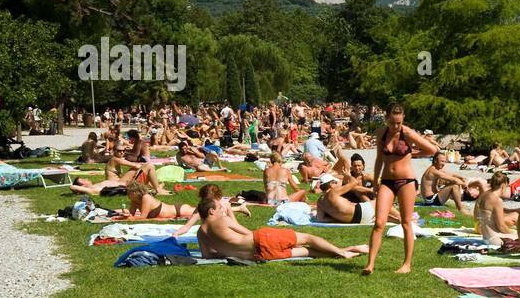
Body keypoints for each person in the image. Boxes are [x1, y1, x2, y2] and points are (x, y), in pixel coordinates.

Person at [364, 103, 438, 274]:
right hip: (387, 182)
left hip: (407, 181)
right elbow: (379, 159)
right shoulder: (382, 133)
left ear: (403, 118)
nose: (396, 126)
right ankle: (370, 263)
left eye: (398, 122)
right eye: (392, 123)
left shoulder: (408, 133)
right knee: (379, 222)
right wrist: (375, 181)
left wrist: (413, 153)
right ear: (386, 119)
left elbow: (432, 150)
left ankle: (407, 264)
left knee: (406, 223)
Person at [196, 194, 365, 261]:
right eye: (220, 208)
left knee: (309, 252)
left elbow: (207, 255)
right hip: (261, 240)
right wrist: (229, 214)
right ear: (212, 211)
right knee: (308, 239)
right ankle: (343, 252)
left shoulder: (200, 233)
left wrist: (228, 251)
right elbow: (247, 232)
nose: (223, 209)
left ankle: (348, 250)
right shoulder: (221, 221)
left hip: (258, 256)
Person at [114, 182, 195, 221]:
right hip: (176, 212)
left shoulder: (146, 197)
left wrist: (129, 218)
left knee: (203, 211)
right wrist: (124, 215)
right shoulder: (134, 201)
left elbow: (143, 217)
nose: (127, 194)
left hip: (179, 211)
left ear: (135, 192)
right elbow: (132, 215)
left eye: (129, 192)